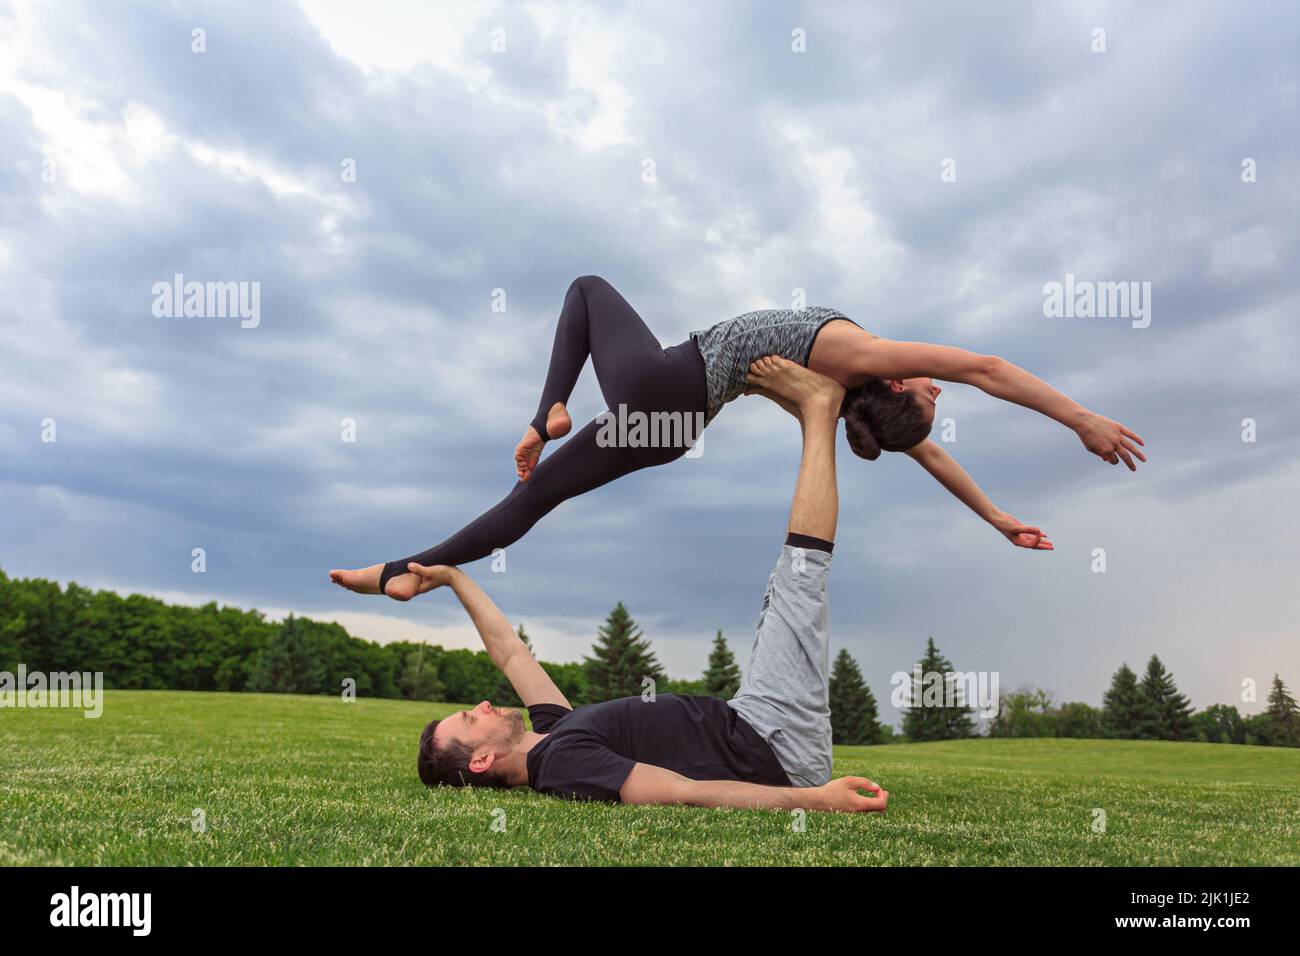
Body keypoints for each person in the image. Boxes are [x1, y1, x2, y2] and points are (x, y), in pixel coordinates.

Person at [331, 274, 1144, 600]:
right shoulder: (841, 389)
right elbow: (926, 452)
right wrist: (997, 517)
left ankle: (546, 410)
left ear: (898, 381)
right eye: (932, 395)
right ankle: (404, 572)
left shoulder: (859, 356)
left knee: (584, 288)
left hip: (662, 384)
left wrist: (1082, 418)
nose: (935, 388)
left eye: (927, 391)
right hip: (677, 427)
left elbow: (986, 366)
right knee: (532, 500)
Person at [410, 356, 887, 812]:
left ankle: (817, 409)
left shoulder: (555, 734)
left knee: (788, 587)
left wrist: (454, 577)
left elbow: (510, 653)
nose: (484, 704)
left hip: (753, 722)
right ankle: (820, 408)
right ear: (480, 761)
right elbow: (682, 792)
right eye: (472, 719)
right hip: (772, 747)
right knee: (798, 579)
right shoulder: (563, 764)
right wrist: (817, 800)